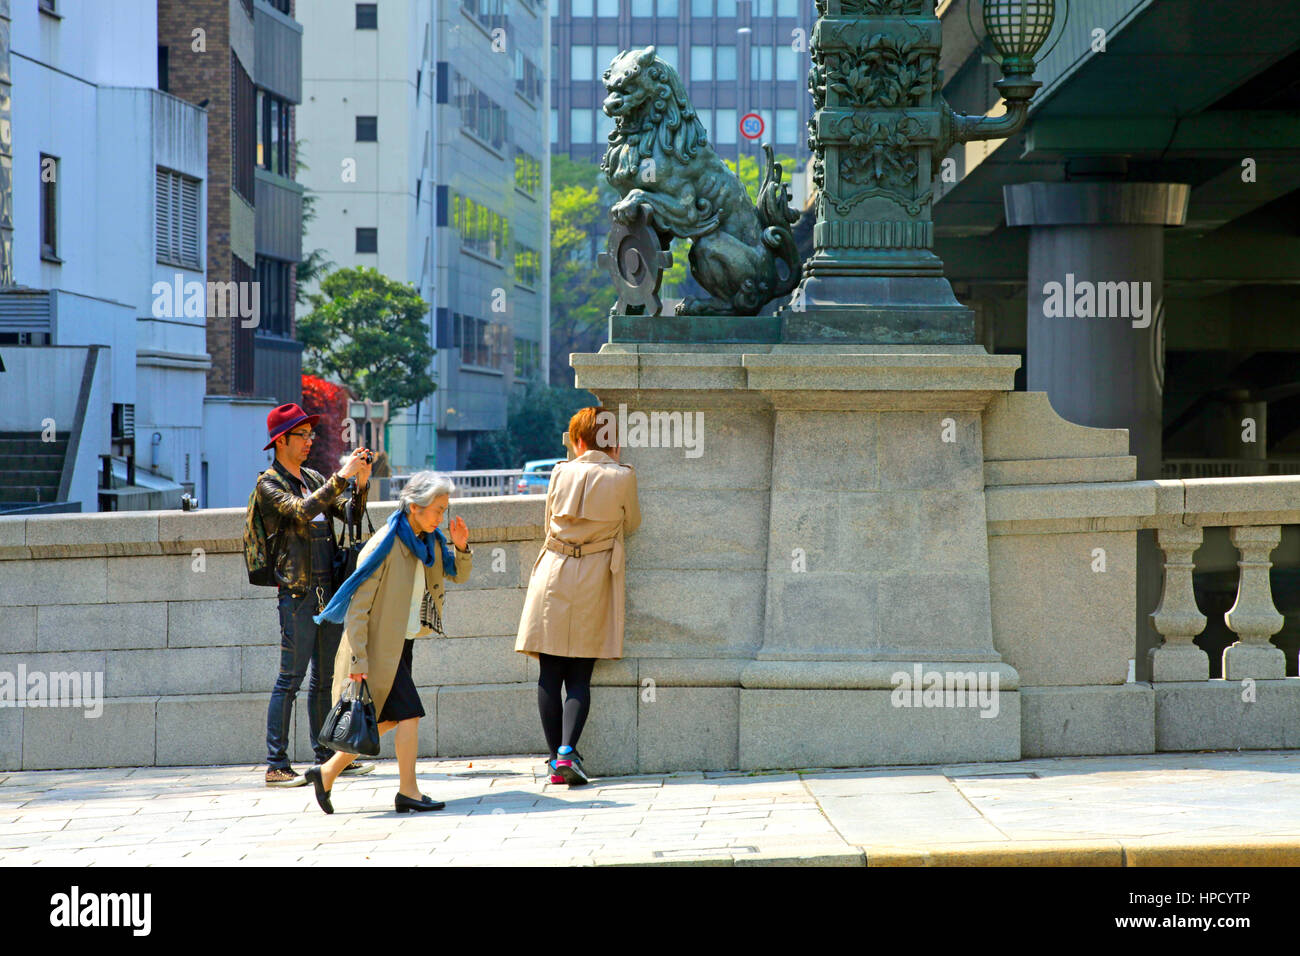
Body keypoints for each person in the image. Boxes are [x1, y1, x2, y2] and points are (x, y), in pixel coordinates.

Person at [304, 471, 473, 814]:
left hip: (403, 644)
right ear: (414, 506)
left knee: (387, 720)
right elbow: (358, 609)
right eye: (437, 510)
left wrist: (461, 545)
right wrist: (359, 663)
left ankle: (326, 772)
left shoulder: (430, 541)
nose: (441, 516)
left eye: (444, 509)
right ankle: (407, 792)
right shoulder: (384, 544)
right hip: (377, 649)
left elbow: (458, 573)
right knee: (410, 713)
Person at [515, 407, 641, 786]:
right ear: (613, 442)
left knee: (549, 672)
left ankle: (555, 760)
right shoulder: (623, 477)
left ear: (578, 440)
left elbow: (547, 520)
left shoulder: (558, 471)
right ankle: (568, 752)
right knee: (580, 675)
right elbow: (632, 523)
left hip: (553, 572)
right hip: (594, 576)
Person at [255, 403, 376, 787]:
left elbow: (350, 515)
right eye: (302, 435)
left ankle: (326, 757)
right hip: (298, 591)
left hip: (330, 588)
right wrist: (342, 476)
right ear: (281, 441)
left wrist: (361, 483)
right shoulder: (269, 483)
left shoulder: (311, 475)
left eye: (311, 434)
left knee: (324, 678)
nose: (310, 441)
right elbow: (302, 512)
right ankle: (276, 763)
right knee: (290, 678)